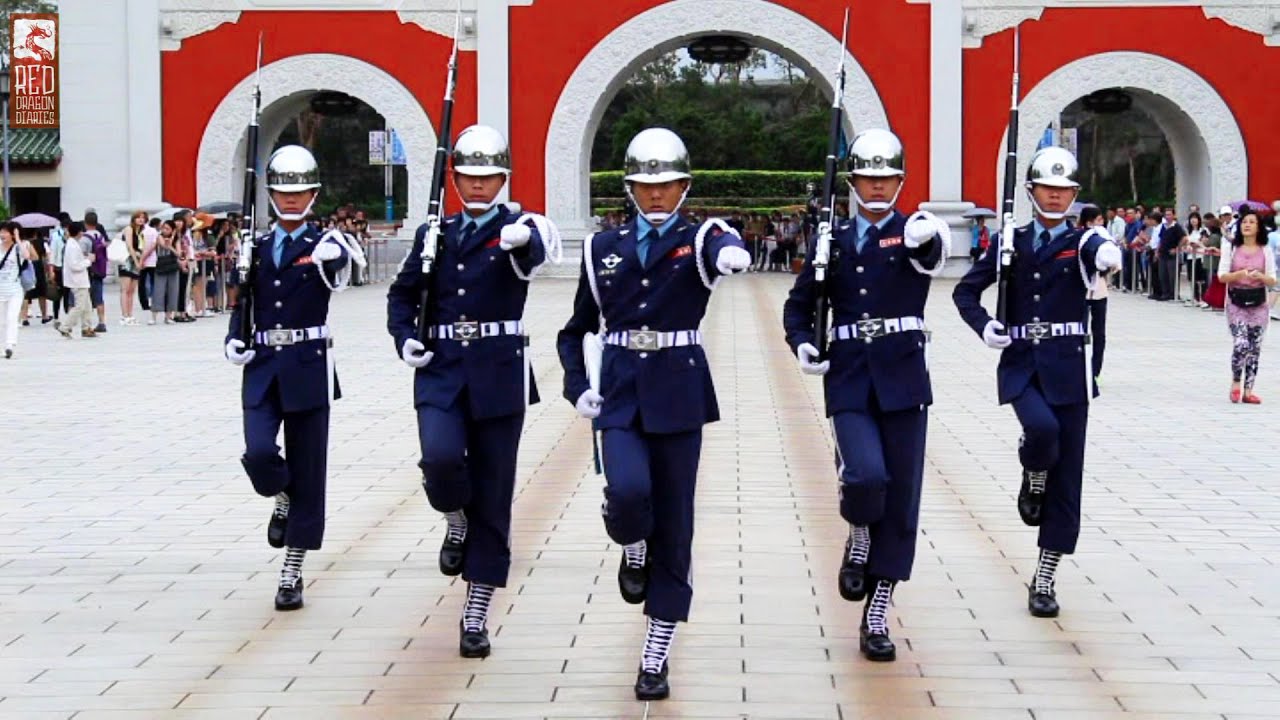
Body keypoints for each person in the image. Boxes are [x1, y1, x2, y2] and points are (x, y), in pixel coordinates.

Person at [556, 128, 750, 701]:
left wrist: (731, 253)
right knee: (627, 494)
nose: (657, 195)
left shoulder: (700, 239)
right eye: (645, 185)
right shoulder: (602, 248)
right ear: (630, 188)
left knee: (677, 522)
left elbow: (720, 242)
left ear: (685, 187)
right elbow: (575, 330)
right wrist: (575, 387)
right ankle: (631, 545)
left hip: (678, 391)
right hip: (617, 389)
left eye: (667, 185)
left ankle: (656, 650)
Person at [386, 125, 557, 660]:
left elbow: (540, 251)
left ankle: (477, 609)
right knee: (439, 460)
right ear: (454, 178)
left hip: (497, 372)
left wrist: (525, 239)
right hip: (439, 368)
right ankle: (453, 520)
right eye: (468, 176)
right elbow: (403, 292)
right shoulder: (433, 231)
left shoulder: (518, 227)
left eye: (488, 177)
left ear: (504, 178)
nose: (478, 185)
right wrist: (405, 337)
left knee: (493, 491)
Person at [782, 128, 947, 662]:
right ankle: (857, 530)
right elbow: (798, 304)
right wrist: (804, 342)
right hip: (849, 376)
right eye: (868, 177)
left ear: (900, 181)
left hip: (902, 377)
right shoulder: (830, 240)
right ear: (852, 181)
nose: (877, 186)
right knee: (865, 476)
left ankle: (877, 611)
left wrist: (930, 235)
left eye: (887, 177)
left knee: (899, 501)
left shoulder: (915, 230)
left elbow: (934, 251)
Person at [952, 146, 1121, 619]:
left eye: (1065, 189)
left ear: (1074, 195)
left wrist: (1109, 253)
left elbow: (1103, 255)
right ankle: (1033, 474)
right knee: (1042, 432)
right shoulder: (1012, 241)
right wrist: (986, 325)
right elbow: (966, 290)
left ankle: (1045, 575)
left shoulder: (1085, 241)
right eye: (1047, 187)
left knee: (1068, 480)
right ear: (1030, 191)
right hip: (1023, 363)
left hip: (1069, 366)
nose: (1055, 195)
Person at [223, 145, 355, 611]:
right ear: (270, 193)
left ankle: (292, 572)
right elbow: (244, 299)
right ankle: (280, 495)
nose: (291, 199)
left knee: (309, 469)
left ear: (314, 194)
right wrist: (233, 335)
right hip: (262, 363)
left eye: (300, 192)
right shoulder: (255, 244)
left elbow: (341, 269)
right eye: (282, 191)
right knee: (259, 453)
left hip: (307, 364)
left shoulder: (325, 242)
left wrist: (333, 254)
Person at [1218, 208, 1276, 404]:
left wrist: (1261, 276)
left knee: (1254, 347)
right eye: (1244, 222)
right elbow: (1222, 276)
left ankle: (1249, 390)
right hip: (1236, 302)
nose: (1247, 225)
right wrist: (1239, 274)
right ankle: (1236, 382)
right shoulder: (1231, 248)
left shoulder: (1265, 250)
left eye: (1252, 222)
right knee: (1241, 343)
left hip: (1259, 303)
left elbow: (1272, 280)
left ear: (1258, 227)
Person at [1078, 205, 1117, 386]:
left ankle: (1095, 371)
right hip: (1081, 291)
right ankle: (1079, 368)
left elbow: (1115, 264)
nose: (1102, 223)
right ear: (1089, 221)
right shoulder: (1080, 239)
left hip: (1100, 291)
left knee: (1099, 332)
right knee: (1079, 331)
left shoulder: (1104, 240)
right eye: (1099, 220)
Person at [57, 222, 97, 339]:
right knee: (79, 306)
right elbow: (74, 265)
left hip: (81, 280)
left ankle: (86, 327)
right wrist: (88, 261)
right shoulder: (72, 246)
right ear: (79, 232)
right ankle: (65, 326)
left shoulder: (73, 244)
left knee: (87, 306)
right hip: (77, 281)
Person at [0, 222, 33, 358]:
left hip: (14, 289)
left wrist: (18, 239)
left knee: (12, 318)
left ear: (12, 234)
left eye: (5, 232)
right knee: (2, 320)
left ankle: (9, 345)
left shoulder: (17, 248)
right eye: (1, 232)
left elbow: (27, 256)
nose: (2, 235)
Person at [118, 211, 148, 325]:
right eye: (138, 217)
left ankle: (130, 315)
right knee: (125, 289)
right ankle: (124, 315)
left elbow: (142, 248)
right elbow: (129, 246)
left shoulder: (141, 232)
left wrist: (141, 261)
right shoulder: (129, 229)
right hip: (127, 260)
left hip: (137, 260)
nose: (141, 220)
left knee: (132, 289)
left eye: (143, 218)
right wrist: (136, 261)